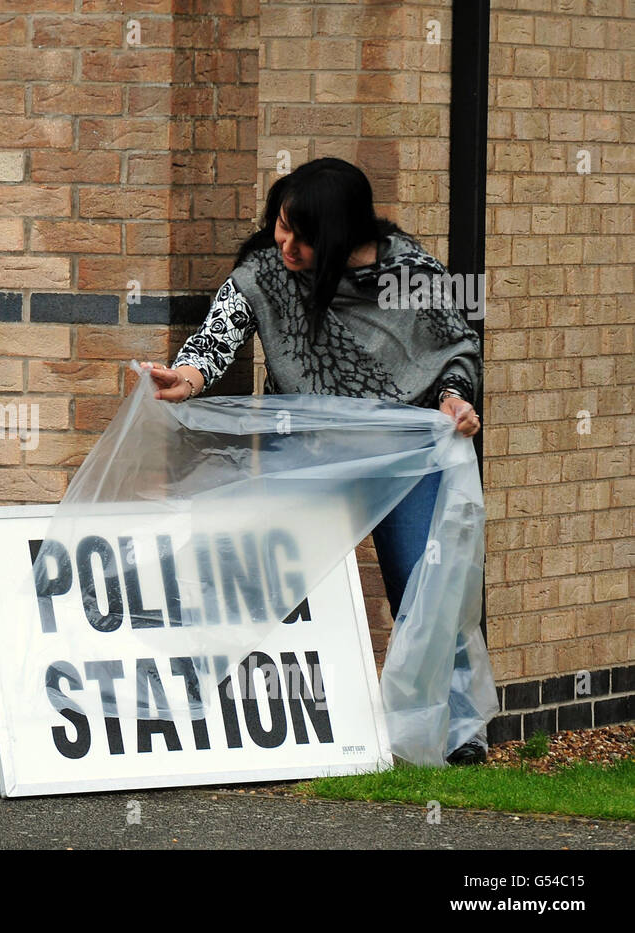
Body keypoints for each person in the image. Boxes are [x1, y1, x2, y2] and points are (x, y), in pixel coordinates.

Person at [145, 157, 487, 764]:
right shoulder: (266, 273)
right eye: (281, 225)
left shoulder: (413, 274)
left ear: (345, 236)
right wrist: (189, 377)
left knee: (426, 587)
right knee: (270, 577)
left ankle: (455, 734)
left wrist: (456, 400)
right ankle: (252, 723)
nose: (286, 244)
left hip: (405, 458)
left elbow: (455, 349)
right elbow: (219, 335)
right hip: (305, 455)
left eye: (303, 236)